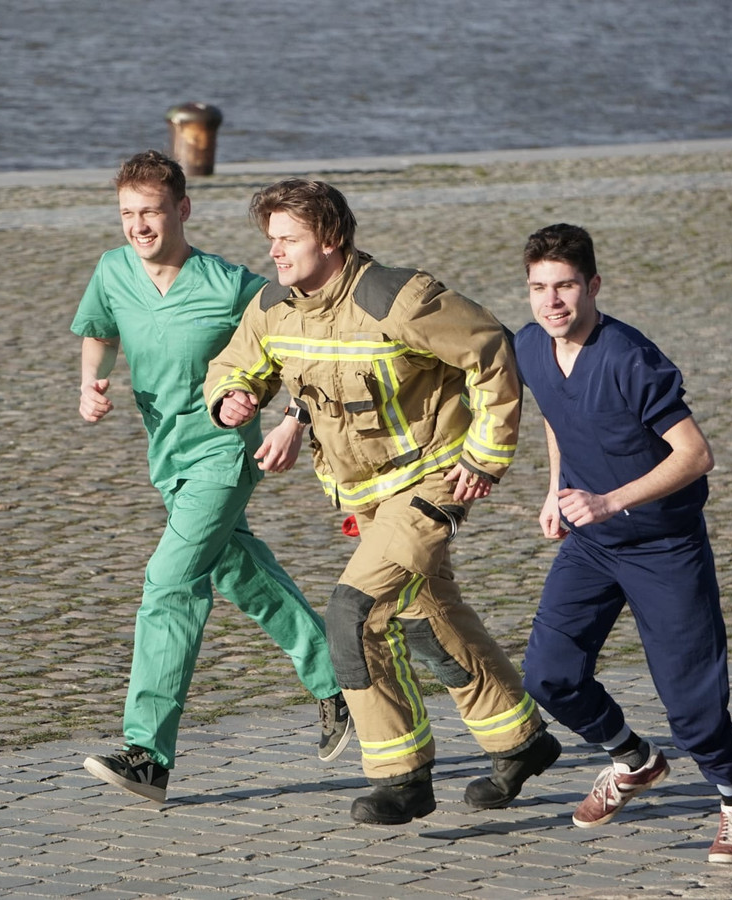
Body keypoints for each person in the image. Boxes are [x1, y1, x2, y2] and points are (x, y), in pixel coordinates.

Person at [204, 178, 560, 825]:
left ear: (330, 238)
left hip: (430, 482)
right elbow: (238, 362)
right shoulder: (273, 306)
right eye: (271, 240)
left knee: (353, 614)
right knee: (429, 616)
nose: (276, 253)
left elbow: (492, 350)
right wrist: (232, 396)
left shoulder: (401, 299)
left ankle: (403, 776)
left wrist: (486, 453)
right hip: (365, 497)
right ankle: (520, 741)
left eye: (289, 239)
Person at [72, 151, 351, 805]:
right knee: (244, 577)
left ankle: (149, 753)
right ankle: (339, 679)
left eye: (152, 212)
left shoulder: (229, 284)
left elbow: (296, 340)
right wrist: (91, 383)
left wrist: (282, 411)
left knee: (170, 584)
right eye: (128, 214)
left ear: (182, 210)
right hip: (166, 464)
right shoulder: (113, 272)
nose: (139, 226)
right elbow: (99, 331)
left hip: (223, 461)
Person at [513, 223, 732, 863]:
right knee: (548, 674)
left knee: (692, 707)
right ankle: (633, 760)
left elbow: (696, 454)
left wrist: (607, 500)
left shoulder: (630, 357)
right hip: (592, 546)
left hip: (663, 545)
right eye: (539, 287)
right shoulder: (532, 347)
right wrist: (556, 490)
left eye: (565, 285)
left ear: (592, 285)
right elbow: (554, 417)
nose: (552, 301)